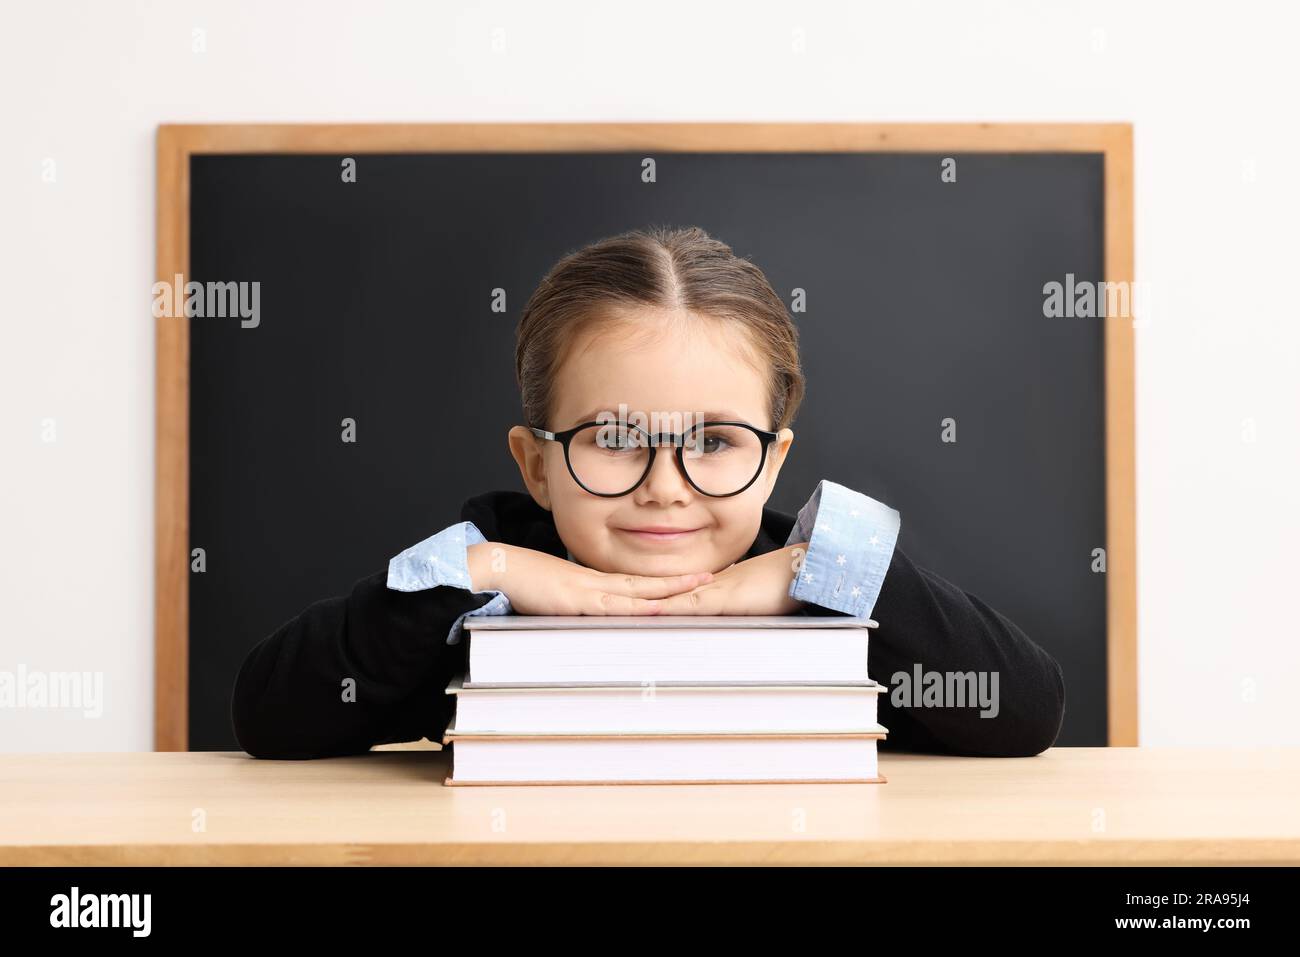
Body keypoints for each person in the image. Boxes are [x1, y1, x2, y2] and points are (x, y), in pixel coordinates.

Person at [231, 226, 1064, 760]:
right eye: (616, 438)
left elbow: (1026, 709)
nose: (666, 489)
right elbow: (268, 713)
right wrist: (485, 570)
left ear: (774, 464)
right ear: (536, 466)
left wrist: (822, 573)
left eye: (714, 441)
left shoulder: (819, 589)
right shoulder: (473, 600)